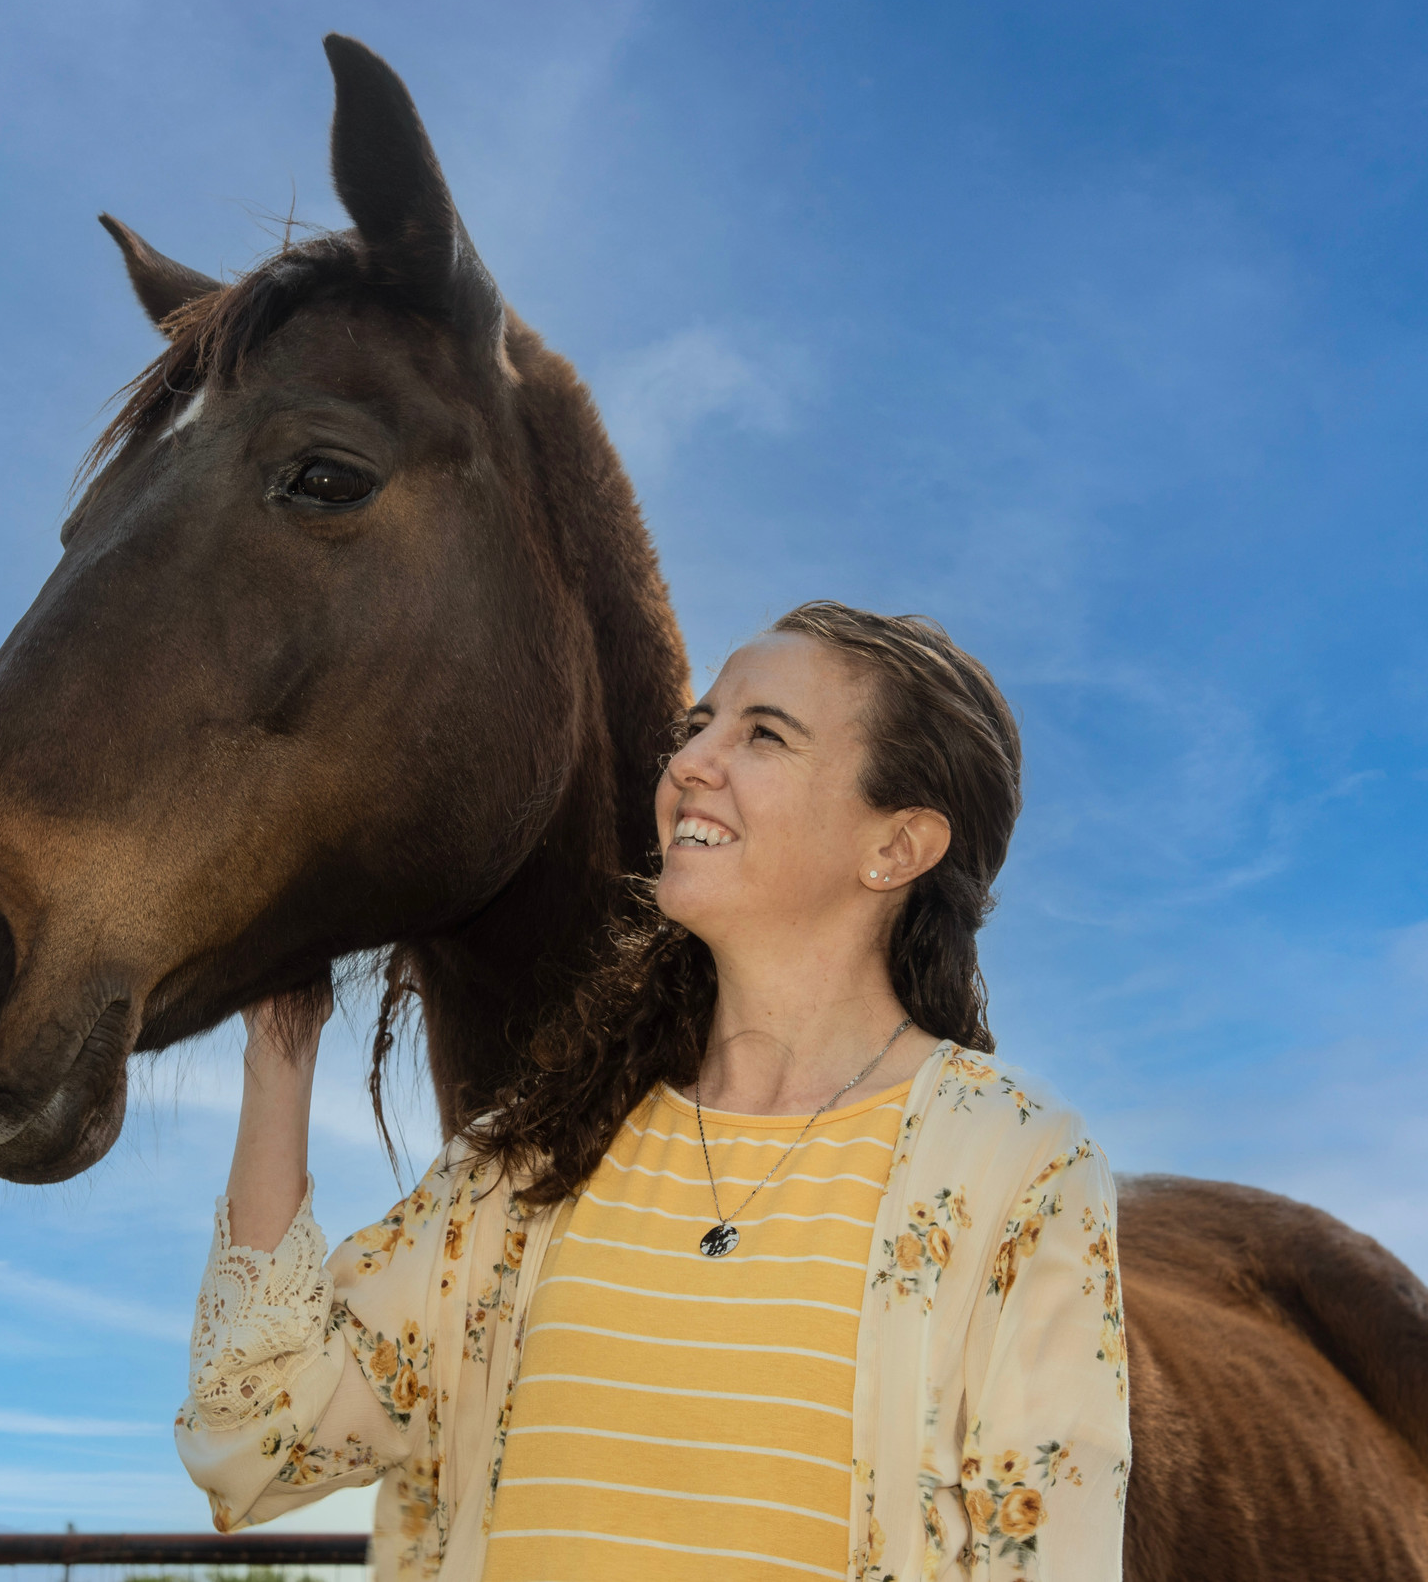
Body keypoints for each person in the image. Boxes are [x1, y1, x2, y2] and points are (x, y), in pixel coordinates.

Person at [176, 603, 1131, 1582]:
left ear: (894, 846)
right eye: (696, 727)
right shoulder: (540, 1158)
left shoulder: (1017, 1166)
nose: (688, 765)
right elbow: (254, 1436)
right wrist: (279, 1053)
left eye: (762, 734)